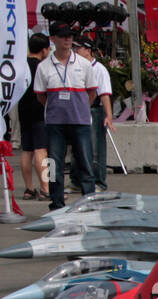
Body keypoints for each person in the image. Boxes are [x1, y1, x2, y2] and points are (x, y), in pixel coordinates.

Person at [33, 24, 95, 210]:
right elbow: (40, 95)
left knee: (85, 162)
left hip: (80, 121)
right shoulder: (44, 67)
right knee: (54, 165)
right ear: (52, 39)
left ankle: (90, 203)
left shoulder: (84, 64)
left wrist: (81, 108)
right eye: (62, 36)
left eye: (70, 36)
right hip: (55, 123)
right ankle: (57, 203)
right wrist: (55, 108)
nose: (68, 39)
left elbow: (92, 93)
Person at [74, 37, 113, 192]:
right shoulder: (75, 66)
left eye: (78, 49)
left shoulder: (99, 69)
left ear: (88, 50)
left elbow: (104, 94)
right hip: (78, 109)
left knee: (96, 148)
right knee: (79, 147)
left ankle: (99, 182)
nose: (75, 52)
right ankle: (77, 181)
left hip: (95, 110)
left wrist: (109, 115)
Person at [18, 32, 50, 201]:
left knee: (27, 150)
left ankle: (29, 189)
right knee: (41, 150)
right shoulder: (42, 67)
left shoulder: (21, 66)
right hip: (39, 109)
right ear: (44, 50)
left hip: (23, 110)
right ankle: (45, 188)